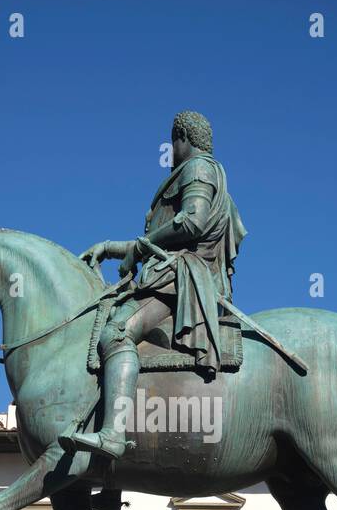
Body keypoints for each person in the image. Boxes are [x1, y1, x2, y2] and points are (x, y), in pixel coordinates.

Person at [62, 110, 246, 460]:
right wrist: (114, 248)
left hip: (182, 280)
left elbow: (192, 221)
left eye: (172, 141)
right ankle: (110, 482)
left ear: (182, 139)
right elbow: (157, 240)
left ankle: (113, 434)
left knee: (116, 333)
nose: (170, 149)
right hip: (174, 273)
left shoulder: (198, 169)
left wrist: (141, 247)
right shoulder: (202, 171)